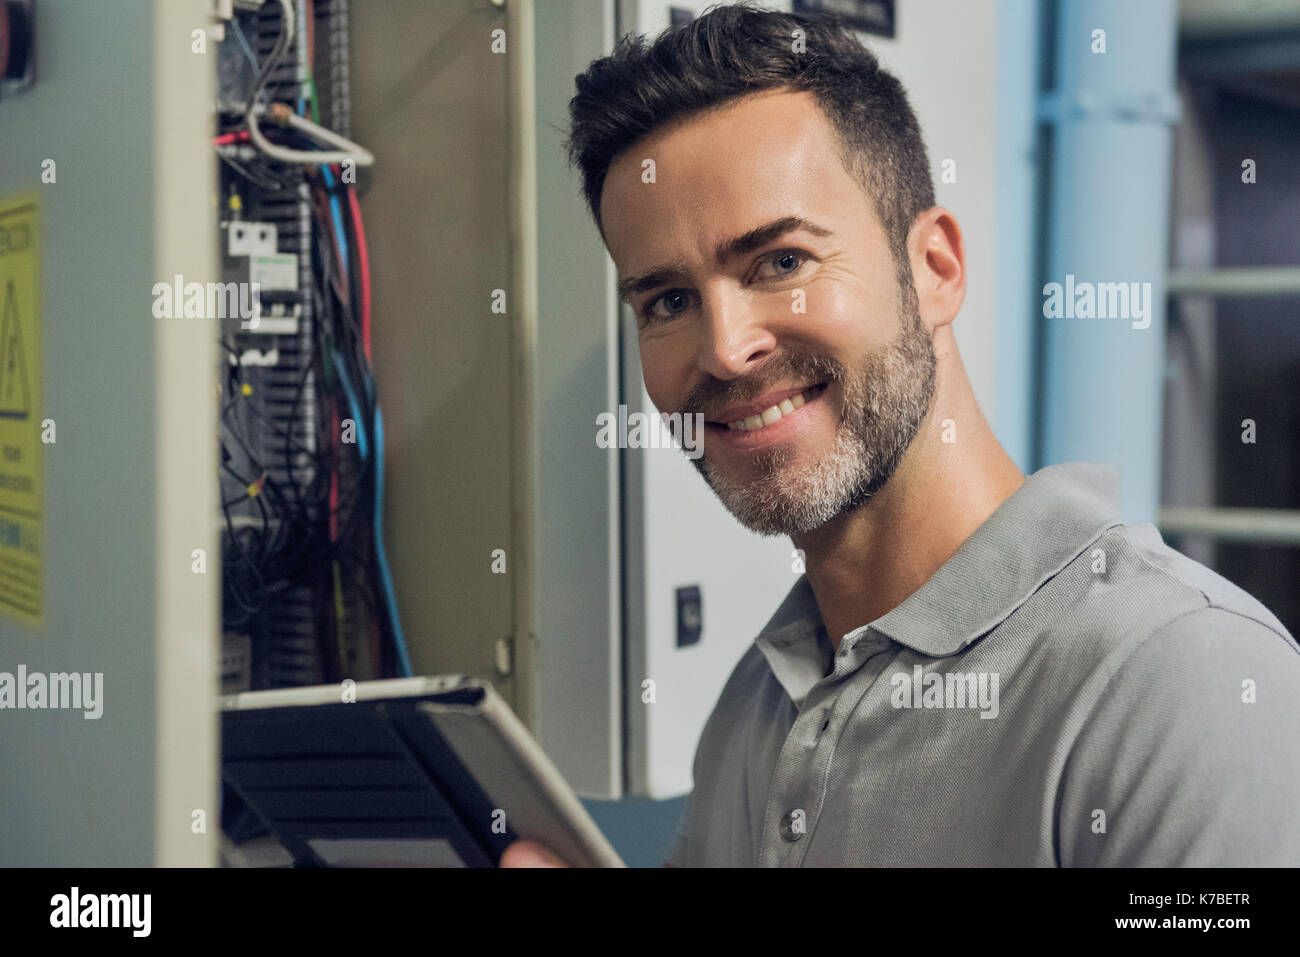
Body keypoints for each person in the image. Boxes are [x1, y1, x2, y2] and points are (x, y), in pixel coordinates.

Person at [503, 2, 1300, 867]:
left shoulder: (1183, 681)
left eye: (782, 262)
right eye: (667, 300)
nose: (726, 351)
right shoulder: (761, 702)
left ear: (935, 270)